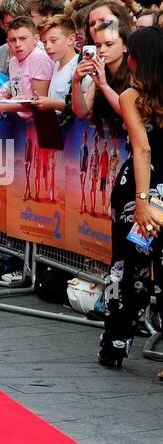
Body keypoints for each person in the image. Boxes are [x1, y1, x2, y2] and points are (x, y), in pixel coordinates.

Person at [94, 25, 161, 369]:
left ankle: (115, 346)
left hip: (140, 188)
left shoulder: (132, 96)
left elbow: (142, 149)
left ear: (135, 59)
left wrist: (143, 200)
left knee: (129, 266)